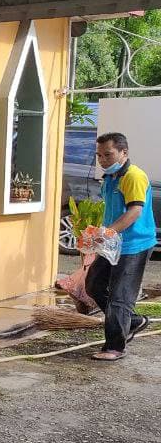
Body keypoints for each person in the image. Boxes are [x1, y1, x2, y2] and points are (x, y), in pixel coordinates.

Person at [85, 132, 156, 361]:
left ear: (124, 152)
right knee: (94, 285)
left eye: (108, 154)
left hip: (134, 244)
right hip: (113, 243)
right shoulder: (110, 177)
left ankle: (115, 347)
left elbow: (134, 211)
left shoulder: (133, 176)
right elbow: (111, 211)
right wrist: (98, 233)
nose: (102, 160)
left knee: (120, 296)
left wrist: (108, 232)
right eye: (99, 155)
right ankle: (133, 321)